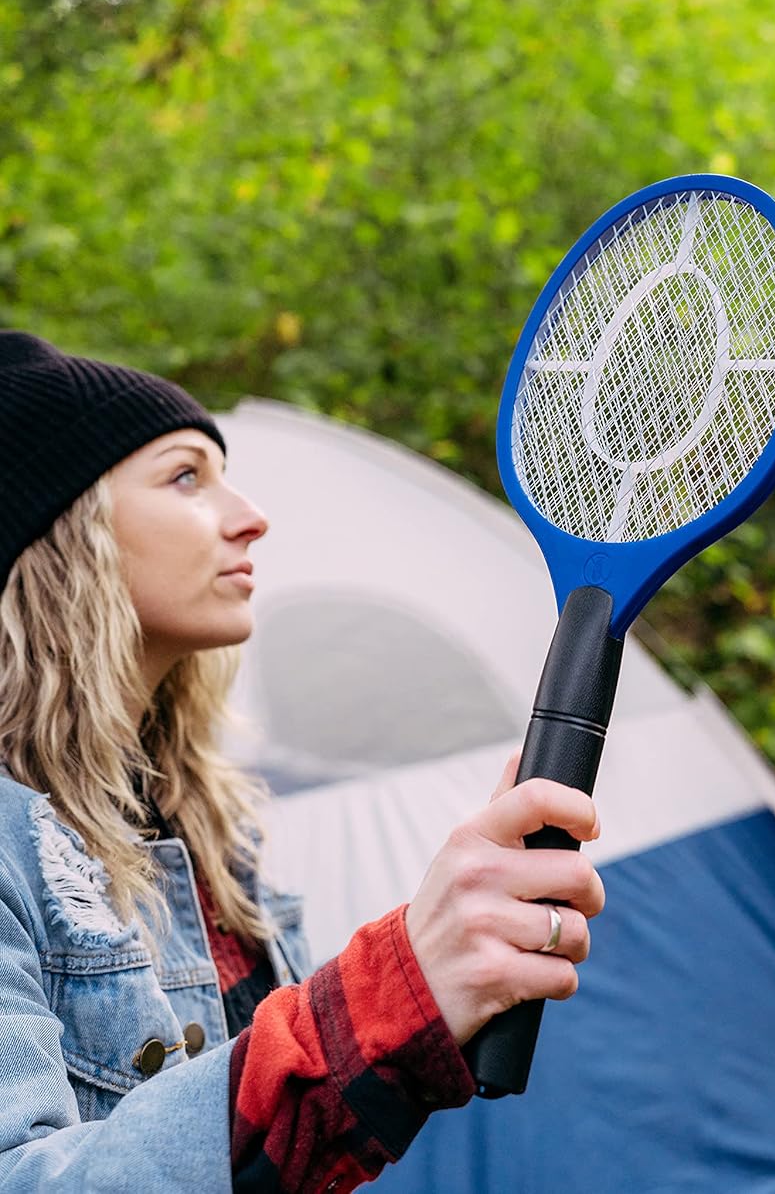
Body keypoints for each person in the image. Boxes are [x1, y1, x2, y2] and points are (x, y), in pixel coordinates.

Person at [0, 330, 605, 1191]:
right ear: (63, 535)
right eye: (184, 476)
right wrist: (386, 992)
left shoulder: (197, 818)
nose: (251, 515)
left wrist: (436, 982)